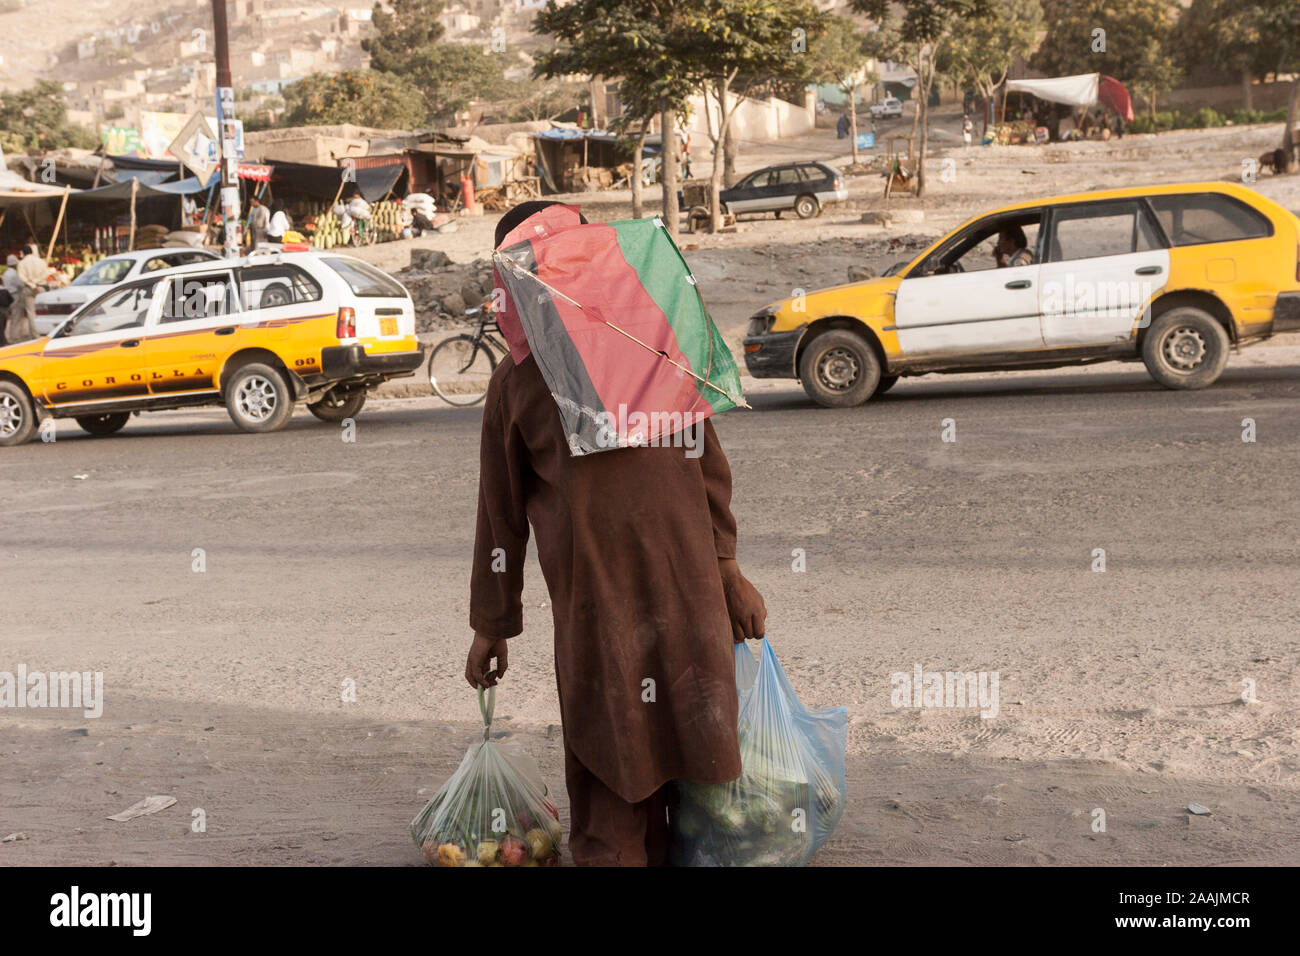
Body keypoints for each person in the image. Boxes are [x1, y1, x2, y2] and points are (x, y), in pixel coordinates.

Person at [465, 200, 767, 867]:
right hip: (628, 598)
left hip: (639, 599)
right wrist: (492, 623)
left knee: (644, 756)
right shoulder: (641, 352)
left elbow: (499, 522)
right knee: (647, 752)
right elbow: (504, 516)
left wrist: (727, 568)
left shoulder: (650, 352)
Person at [8, 244, 46, 343]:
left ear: (23, 253)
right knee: (42, 312)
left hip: (29, 289)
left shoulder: (22, 263)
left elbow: (22, 278)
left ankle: (36, 336)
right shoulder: (41, 261)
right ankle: (44, 333)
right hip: (41, 287)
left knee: (31, 313)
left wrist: (32, 284)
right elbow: (44, 274)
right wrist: (36, 283)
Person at [1, 254, 20, 344]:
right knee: (15, 317)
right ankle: (13, 337)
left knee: (6, 317)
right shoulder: (14, 273)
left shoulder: (5, 273)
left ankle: (7, 337)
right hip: (14, 295)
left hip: (6, 297)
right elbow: (20, 285)